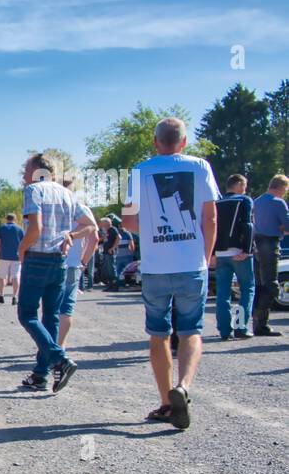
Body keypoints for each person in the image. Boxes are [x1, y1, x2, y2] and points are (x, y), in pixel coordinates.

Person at [122, 116, 218, 429]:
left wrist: (152, 227)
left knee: (158, 334)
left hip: (155, 266)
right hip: (192, 263)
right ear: (184, 141)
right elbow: (211, 219)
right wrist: (204, 257)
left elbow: (128, 223)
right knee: (191, 330)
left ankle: (166, 401)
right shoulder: (200, 167)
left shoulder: (139, 171)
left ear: (155, 142)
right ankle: (184, 386)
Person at [16, 152, 96, 392]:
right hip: (59, 262)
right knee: (50, 316)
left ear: (38, 170)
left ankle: (59, 359)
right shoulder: (67, 193)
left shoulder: (34, 191)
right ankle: (40, 375)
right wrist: (71, 235)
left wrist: (22, 249)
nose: (24, 174)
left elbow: (36, 228)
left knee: (27, 314)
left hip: (37, 258)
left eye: (27, 169)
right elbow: (90, 225)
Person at [212, 174, 256, 341]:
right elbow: (248, 224)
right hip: (239, 252)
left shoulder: (216, 202)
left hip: (220, 254)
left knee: (223, 293)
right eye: (244, 186)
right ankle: (240, 327)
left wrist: (211, 253)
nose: (245, 189)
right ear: (238, 185)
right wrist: (247, 249)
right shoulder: (244, 201)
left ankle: (224, 330)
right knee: (246, 289)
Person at [57, 197, 99, 354]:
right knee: (66, 307)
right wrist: (84, 262)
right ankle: (60, 345)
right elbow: (94, 238)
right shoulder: (83, 210)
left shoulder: (53, 206)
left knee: (51, 306)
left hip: (53, 260)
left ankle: (48, 343)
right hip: (73, 263)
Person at [250, 174, 289, 337]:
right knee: (271, 284)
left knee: (259, 285)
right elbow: (287, 226)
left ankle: (255, 322)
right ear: (281, 187)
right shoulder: (278, 203)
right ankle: (262, 325)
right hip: (270, 244)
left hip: (256, 244)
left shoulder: (256, 201)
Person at [0, 213, 23, 304]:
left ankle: (1, 295)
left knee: (2, 276)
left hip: (4, 255)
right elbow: (23, 242)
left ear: (6, 219)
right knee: (16, 275)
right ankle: (14, 297)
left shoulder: (2, 228)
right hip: (16, 256)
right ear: (15, 219)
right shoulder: (20, 229)